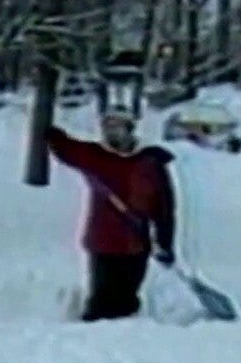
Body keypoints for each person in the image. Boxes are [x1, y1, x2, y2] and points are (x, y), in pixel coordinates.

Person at [45, 108, 177, 321]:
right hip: (102, 243)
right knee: (101, 301)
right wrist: (49, 130)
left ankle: (125, 342)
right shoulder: (95, 157)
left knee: (127, 301)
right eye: (107, 126)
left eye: (117, 126)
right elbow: (66, 148)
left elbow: (164, 208)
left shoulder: (149, 162)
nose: (111, 132)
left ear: (130, 129)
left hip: (135, 244)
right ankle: (91, 342)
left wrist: (165, 242)